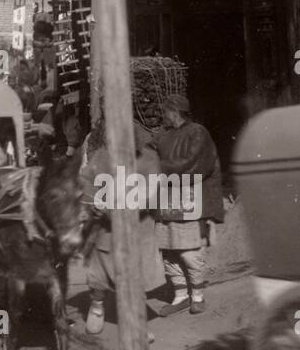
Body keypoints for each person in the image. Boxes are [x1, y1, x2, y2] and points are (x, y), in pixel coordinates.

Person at [79, 122, 166, 337]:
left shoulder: (148, 159)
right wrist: (93, 204)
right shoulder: (102, 156)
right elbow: (87, 182)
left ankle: (136, 322)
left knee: (135, 278)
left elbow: (151, 196)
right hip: (105, 232)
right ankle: (97, 307)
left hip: (137, 228)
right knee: (99, 274)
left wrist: (113, 210)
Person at [154, 94, 223, 316]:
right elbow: (148, 154)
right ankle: (181, 295)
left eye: (166, 111)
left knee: (190, 253)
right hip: (167, 199)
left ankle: (198, 296)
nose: (163, 116)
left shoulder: (197, 132)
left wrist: (159, 168)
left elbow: (192, 164)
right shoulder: (163, 135)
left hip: (190, 198)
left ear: (174, 112)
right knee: (169, 251)